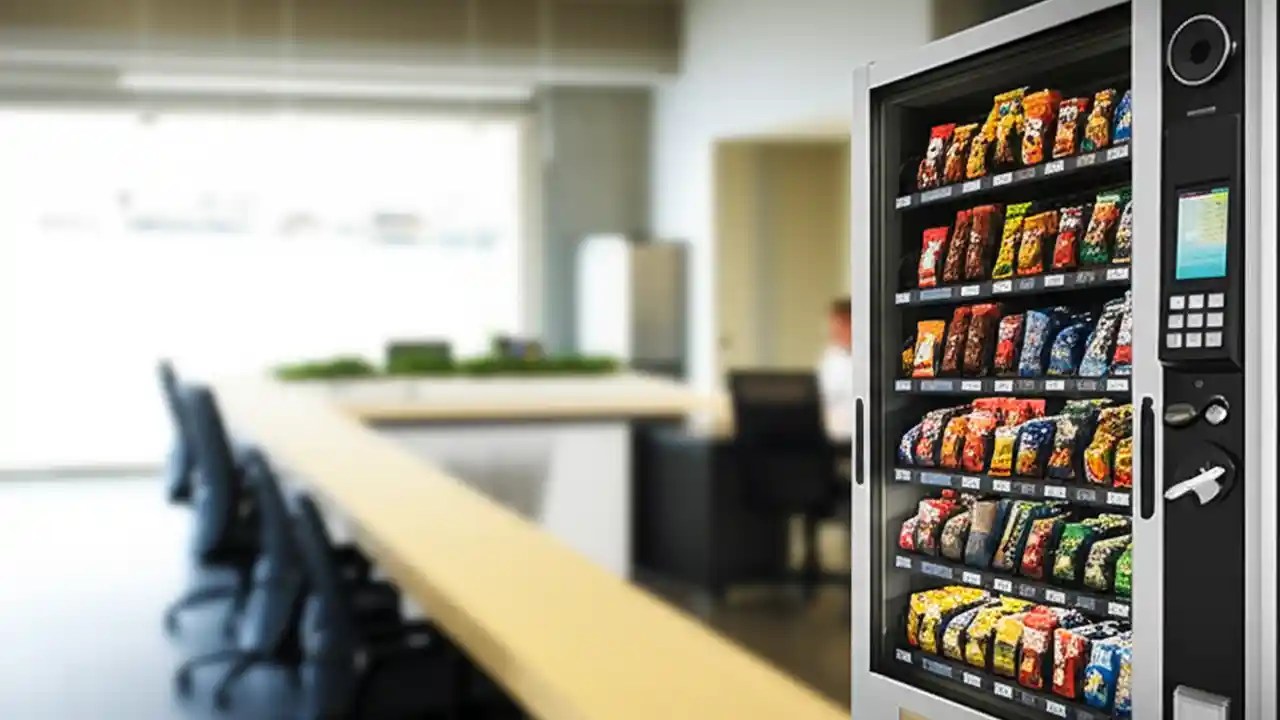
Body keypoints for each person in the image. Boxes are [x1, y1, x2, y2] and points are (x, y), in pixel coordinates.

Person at [818, 297, 853, 442]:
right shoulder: (831, 357)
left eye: (843, 324)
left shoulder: (873, 358)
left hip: (859, 438)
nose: (836, 330)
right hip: (830, 441)